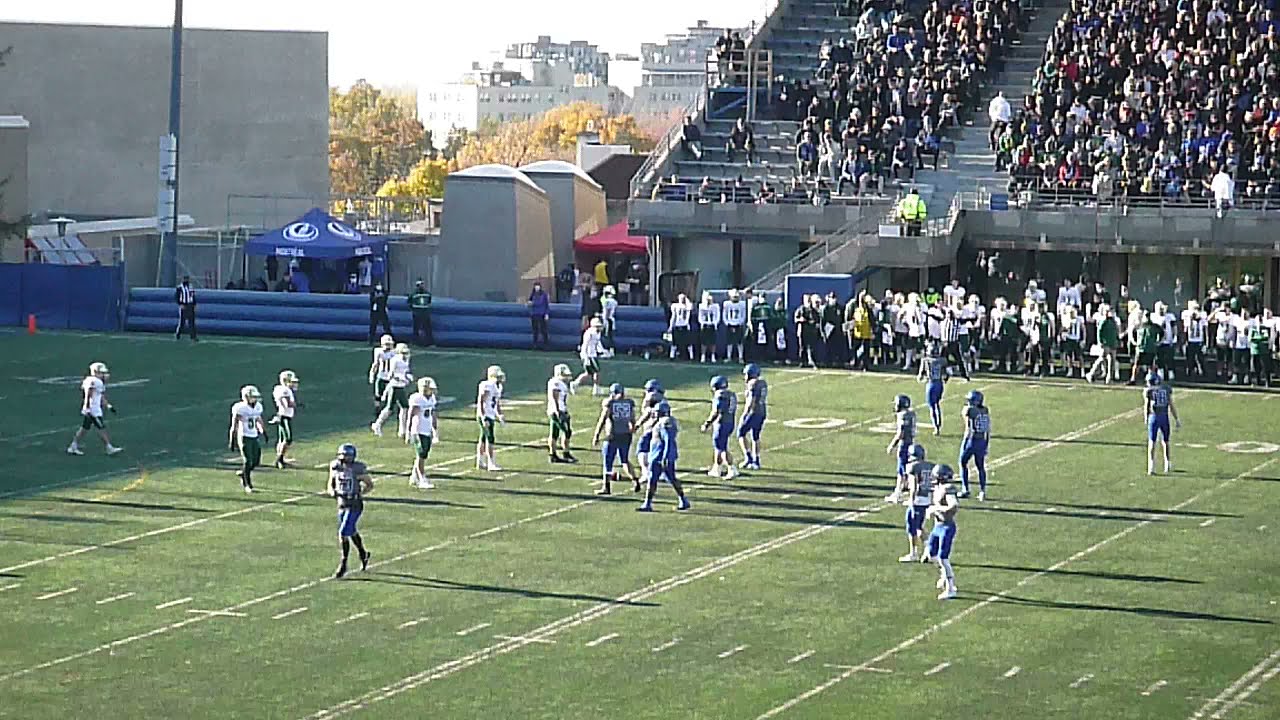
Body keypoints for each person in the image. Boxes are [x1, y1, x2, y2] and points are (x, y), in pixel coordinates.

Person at [637, 401, 692, 513]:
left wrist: (665, 457)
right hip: (659, 454)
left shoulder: (664, 423)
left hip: (660, 455)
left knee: (658, 479)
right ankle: (682, 499)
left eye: (657, 412)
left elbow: (668, 440)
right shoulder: (664, 422)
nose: (654, 414)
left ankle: (648, 503)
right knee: (664, 478)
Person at [328, 443, 373, 579]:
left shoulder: (357, 469)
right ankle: (363, 554)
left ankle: (344, 563)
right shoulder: (335, 466)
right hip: (341, 503)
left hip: (354, 504)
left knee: (343, 532)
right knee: (351, 531)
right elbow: (331, 482)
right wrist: (331, 491)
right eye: (343, 457)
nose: (344, 460)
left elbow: (369, 484)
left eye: (347, 457)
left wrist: (360, 493)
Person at [67, 362, 123, 457]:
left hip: (92, 408)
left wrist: (108, 405)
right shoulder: (96, 381)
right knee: (101, 428)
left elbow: (100, 396)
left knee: (84, 428)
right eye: (101, 373)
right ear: (96, 372)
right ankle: (109, 447)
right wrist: (88, 406)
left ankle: (73, 446)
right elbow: (89, 392)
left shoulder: (90, 380)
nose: (104, 375)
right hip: (93, 409)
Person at [592, 383, 639, 495]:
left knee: (608, 462)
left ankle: (606, 487)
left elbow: (603, 419)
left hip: (613, 435)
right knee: (624, 460)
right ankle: (635, 479)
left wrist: (597, 435)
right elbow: (632, 419)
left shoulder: (610, 403)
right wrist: (632, 428)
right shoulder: (628, 403)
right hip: (626, 435)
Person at [926, 464, 960, 600]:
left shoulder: (948, 490)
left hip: (946, 526)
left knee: (943, 558)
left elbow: (954, 506)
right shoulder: (938, 488)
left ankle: (950, 588)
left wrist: (936, 508)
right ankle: (943, 575)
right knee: (931, 554)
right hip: (938, 526)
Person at [227, 385, 265, 493]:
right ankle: (247, 484)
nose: (255, 399)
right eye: (253, 397)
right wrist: (232, 438)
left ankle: (244, 473)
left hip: (254, 436)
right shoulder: (240, 408)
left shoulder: (258, 407)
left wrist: (263, 430)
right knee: (248, 461)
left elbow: (258, 418)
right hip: (244, 437)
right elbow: (234, 424)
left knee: (256, 461)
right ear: (246, 397)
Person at [371, 343, 413, 438]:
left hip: (401, 386)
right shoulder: (395, 360)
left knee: (404, 407)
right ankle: (377, 425)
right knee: (391, 408)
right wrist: (400, 378)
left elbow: (407, 371)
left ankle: (402, 430)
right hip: (395, 386)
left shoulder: (406, 359)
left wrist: (408, 377)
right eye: (403, 353)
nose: (405, 355)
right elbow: (390, 375)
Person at [701, 375, 739, 480]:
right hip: (730, 422)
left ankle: (731, 468)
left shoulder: (720, 395)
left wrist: (707, 423)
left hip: (721, 423)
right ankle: (717, 468)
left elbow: (716, 412)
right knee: (718, 447)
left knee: (722, 448)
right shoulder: (731, 394)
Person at [900, 443, 933, 563]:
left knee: (912, 527)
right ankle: (928, 549)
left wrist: (911, 501)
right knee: (919, 527)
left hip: (918, 500)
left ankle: (915, 552)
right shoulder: (930, 466)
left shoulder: (913, 467)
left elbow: (913, 486)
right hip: (927, 499)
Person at [1143, 371, 1181, 475]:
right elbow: (1171, 405)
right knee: (1166, 441)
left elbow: (1147, 406)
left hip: (1154, 417)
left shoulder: (1149, 391)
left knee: (1152, 442)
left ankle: (1151, 467)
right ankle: (1167, 464)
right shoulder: (1166, 389)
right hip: (1164, 416)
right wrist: (1176, 419)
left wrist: (1146, 418)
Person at [407, 377, 439, 489]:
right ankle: (422, 479)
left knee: (422, 455)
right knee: (421, 455)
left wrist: (435, 430)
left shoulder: (431, 399)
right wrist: (408, 431)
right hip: (418, 430)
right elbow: (411, 415)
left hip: (427, 430)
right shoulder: (417, 399)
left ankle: (414, 476)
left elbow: (433, 415)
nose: (432, 391)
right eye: (430, 389)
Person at [958, 390, 990, 500]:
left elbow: (968, 428)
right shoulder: (985, 410)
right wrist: (986, 444)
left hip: (972, 440)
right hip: (982, 440)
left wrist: (966, 442)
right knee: (980, 466)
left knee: (962, 462)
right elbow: (987, 430)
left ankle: (965, 489)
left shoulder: (970, 410)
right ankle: (982, 491)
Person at [885, 394, 918, 503]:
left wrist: (892, 445)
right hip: (911, 443)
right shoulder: (911, 414)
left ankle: (897, 494)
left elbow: (901, 433)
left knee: (902, 471)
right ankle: (905, 491)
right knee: (907, 470)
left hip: (904, 444)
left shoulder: (903, 415)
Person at [634, 379, 665, 485]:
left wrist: (637, 425)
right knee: (657, 453)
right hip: (662, 430)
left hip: (651, 429)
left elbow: (647, 413)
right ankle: (659, 473)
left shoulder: (651, 397)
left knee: (642, 450)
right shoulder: (663, 401)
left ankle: (646, 473)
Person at [738, 363, 768, 470]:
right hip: (762, 411)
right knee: (755, 436)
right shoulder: (762, 383)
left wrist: (744, 414)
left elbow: (751, 401)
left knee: (741, 433)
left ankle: (748, 458)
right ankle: (756, 460)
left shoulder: (752, 384)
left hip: (753, 412)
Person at [546, 363, 578, 464]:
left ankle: (553, 454)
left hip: (560, 409)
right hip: (557, 411)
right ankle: (565, 452)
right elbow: (554, 397)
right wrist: (557, 411)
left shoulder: (560, 383)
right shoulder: (556, 383)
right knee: (567, 431)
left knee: (555, 433)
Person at [476, 365, 505, 471]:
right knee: (490, 439)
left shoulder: (498, 387)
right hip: (485, 415)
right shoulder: (487, 385)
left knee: (483, 438)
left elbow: (496, 402)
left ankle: (480, 461)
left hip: (491, 414)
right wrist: (483, 416)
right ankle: (490, 463)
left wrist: (499, 414)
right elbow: (481, 401)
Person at [269, 370, 299, 470]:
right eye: (292, 382)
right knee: (288, 439)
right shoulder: (284, 390)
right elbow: (286, 404)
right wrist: (295, 405)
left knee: (282, 439)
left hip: (283, 415)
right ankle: (279, 459)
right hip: (284, 416)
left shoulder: (282, 389)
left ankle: (280, 459)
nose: (295, 384)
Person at [918, 341, 948, 435]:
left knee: (932, 406)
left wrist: (922, 378)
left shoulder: (926, 360)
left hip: (931, 384)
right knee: (937, 405)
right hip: (939, 384)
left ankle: (936, 427)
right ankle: (939, 424)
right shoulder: (942, 360)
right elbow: (946, 375)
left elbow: (920, 375)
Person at [1086, 304, 1120, 383]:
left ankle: (1109, 377)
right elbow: (1099, 332)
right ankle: (1091, 373)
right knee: (1102, 358)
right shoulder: (1103, 320)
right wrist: (1100, 341)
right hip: (1105, 342)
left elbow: (1116, 331)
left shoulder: (1114, 321)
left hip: (1112, 342)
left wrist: (1117, 340)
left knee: (1112, 360)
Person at [573, 317, 606, 396]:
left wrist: (602, 351)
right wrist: (585, 356)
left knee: (589, 373)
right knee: (596, 372)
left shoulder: (597, 333)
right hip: (589, 355)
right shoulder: (589, 333)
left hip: (593, 354)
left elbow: (598, 343)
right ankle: (596, 388)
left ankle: (575, 384)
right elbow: (585, 344)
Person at [1127, 311, 1161, 385]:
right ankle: (1133, 379)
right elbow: (1131, 332)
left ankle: (1151, 379)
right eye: (1145, 316)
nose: (1147, 318)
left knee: (1151, 365)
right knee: (1136, 365)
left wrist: (1158, 342)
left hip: (1150, 348)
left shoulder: (1154, 326)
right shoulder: (1139, 325)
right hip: (1140, 348)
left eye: (1148, 316)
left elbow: (1162, 333)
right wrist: (1134, 342)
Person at [368, 334, 397, 417]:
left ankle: (389, 409)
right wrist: (372, 374)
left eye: (389, 344)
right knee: (378, 394)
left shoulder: (394, 352)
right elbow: (375, 364)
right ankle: (377, 409)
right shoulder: (378, 351)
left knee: (391, 394)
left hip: (391, 377)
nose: (388, 346)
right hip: (381, 375)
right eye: (386, 344)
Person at [1182, 300, 1208, 379]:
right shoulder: (1187, 316)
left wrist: (1206, 343)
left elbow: (1205, 330)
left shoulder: (1203, 316)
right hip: (1190, 340)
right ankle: (1190, 372)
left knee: (1201, 358)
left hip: (1199, 340)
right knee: (1190, 358)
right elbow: (1185, 329)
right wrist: (1184, 341)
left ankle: (1202, 372)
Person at [723, 289, 748, 363]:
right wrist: (727, 323)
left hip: (738, 324)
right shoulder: (727, 304)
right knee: (729, 342)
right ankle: (729, 356)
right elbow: (724, 314)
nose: (735, 298)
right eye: (734, 297)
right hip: (730, 324)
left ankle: (740, 357)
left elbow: (743, 315)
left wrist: (740, 323)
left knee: (739, 342)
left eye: (736, 297)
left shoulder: (742, 304)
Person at [1059, 305, 1085, 378]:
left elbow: (1083, 329)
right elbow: (1063, 328)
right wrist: (1062, 334)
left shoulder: (1079, 319)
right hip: (1069, 338)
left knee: (1079, 356)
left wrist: (1083, 339)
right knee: (1069, 355)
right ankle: (1070, 370)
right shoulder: (1067, 319)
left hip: (1076, 339)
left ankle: (1082, 371)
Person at [407, 280, 434, 346]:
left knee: (427, 329)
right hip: (418, 313)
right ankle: (417, 342)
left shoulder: (426, 294)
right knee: (417, 329)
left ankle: (428, 342)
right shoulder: (414, 294)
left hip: (424, 313)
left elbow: (429, 302)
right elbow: (409, 302)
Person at [696, 292, 721, 363]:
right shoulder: (701, 306)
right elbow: (700, 316)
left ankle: (713, 356)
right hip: (704, 325)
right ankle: (703, 356)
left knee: (712, 342)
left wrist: (715, 323)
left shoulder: (715, 306)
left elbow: (717, 316)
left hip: (712, 325)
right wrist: (702, 323)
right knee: (704, 342)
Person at [668, 293, 694, 361]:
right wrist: (671, 326)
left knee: (688, 342)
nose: (682, 300)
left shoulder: (688, 305)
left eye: (683, 298)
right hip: (677, 325)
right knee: (674, 342)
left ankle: (691, 356)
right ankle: (672, 356)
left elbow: (690, 307)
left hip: (685, 326)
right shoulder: (675, 306)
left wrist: (686, 300)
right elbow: (673, 316)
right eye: (680, 298)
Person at [528, 282, 551, 349]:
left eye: (538, 286)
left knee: (543, 330)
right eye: (535, 286)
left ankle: (546, 344)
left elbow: (545, 304)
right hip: (534, 314)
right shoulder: (533, 294)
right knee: (535, 330)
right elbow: (529, 302)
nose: (537, 287)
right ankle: (535, 344)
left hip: (541, 314)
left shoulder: (543, 294)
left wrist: (546, 314)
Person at [174, 275, 197, 342]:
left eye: (187, 279)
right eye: (185, 279)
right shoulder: (179, 287)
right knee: (182, 322)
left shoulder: (190, 286)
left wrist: (194, 304)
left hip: (190, 305)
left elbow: (193, 296)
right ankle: (178, 334)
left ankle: (193, 337)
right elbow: (176, 297)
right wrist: (180, 304)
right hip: (184, 305)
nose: (186, 280)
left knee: (192, 322)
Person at [600, 285, 618, 354]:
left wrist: (605, 319)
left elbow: (608, 310)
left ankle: (607, 350)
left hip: (607, 319)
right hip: (611, 319)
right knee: (610, 336)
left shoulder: (608, 301)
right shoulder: (614, 301)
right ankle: (611, 350)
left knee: (606, 335)